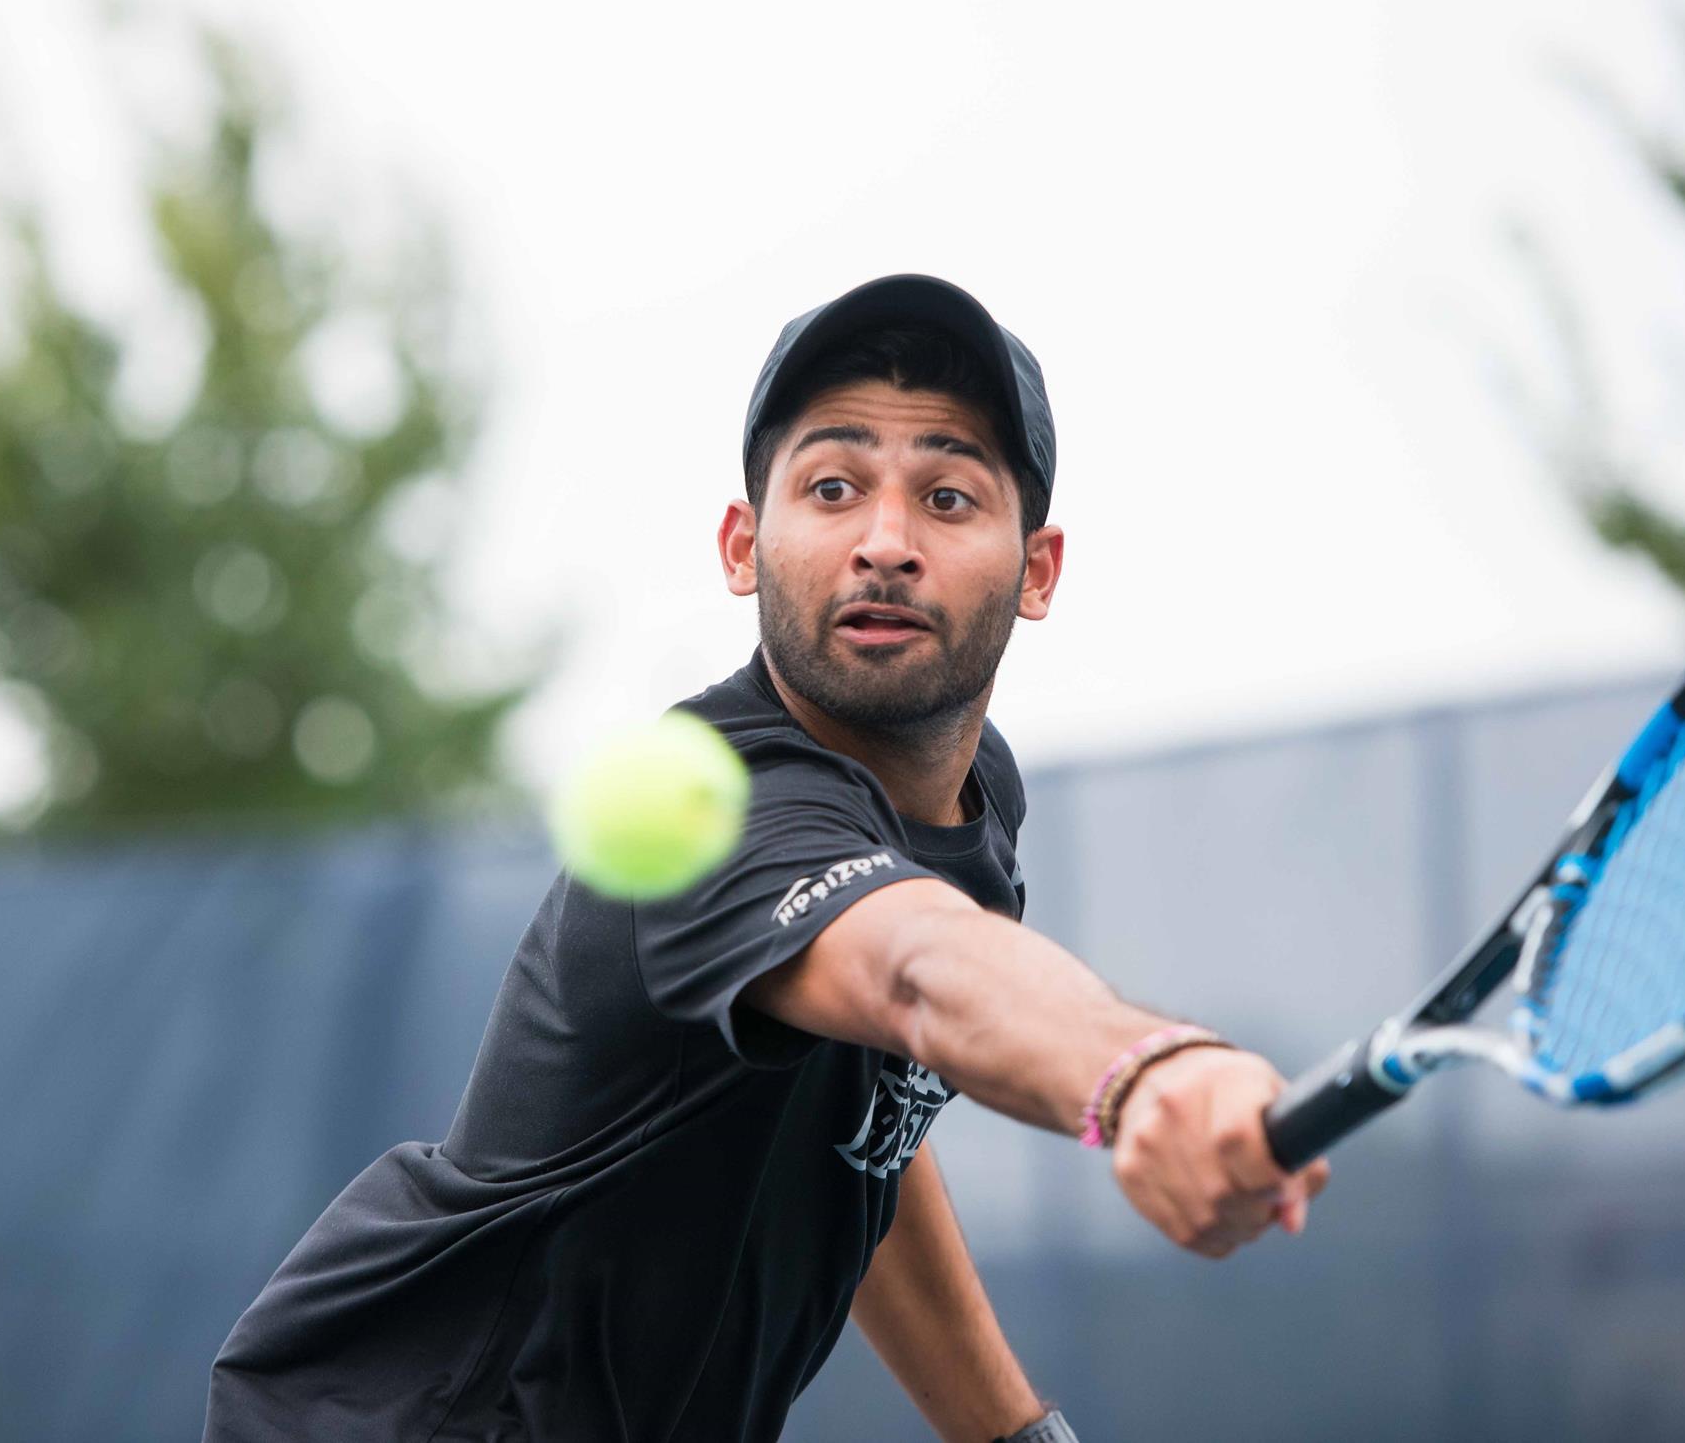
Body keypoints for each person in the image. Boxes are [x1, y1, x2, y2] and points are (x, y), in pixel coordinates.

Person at [202, 273, 1330, 1443]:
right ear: (744, 545)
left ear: (1035, 571)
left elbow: (865, 1127)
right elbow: (915, 976)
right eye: (832, 489)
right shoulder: (718, 808)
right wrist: (1144, 1068)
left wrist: (1007, 1435)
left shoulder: (974, 801)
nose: (884, 544)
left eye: (946, 498)